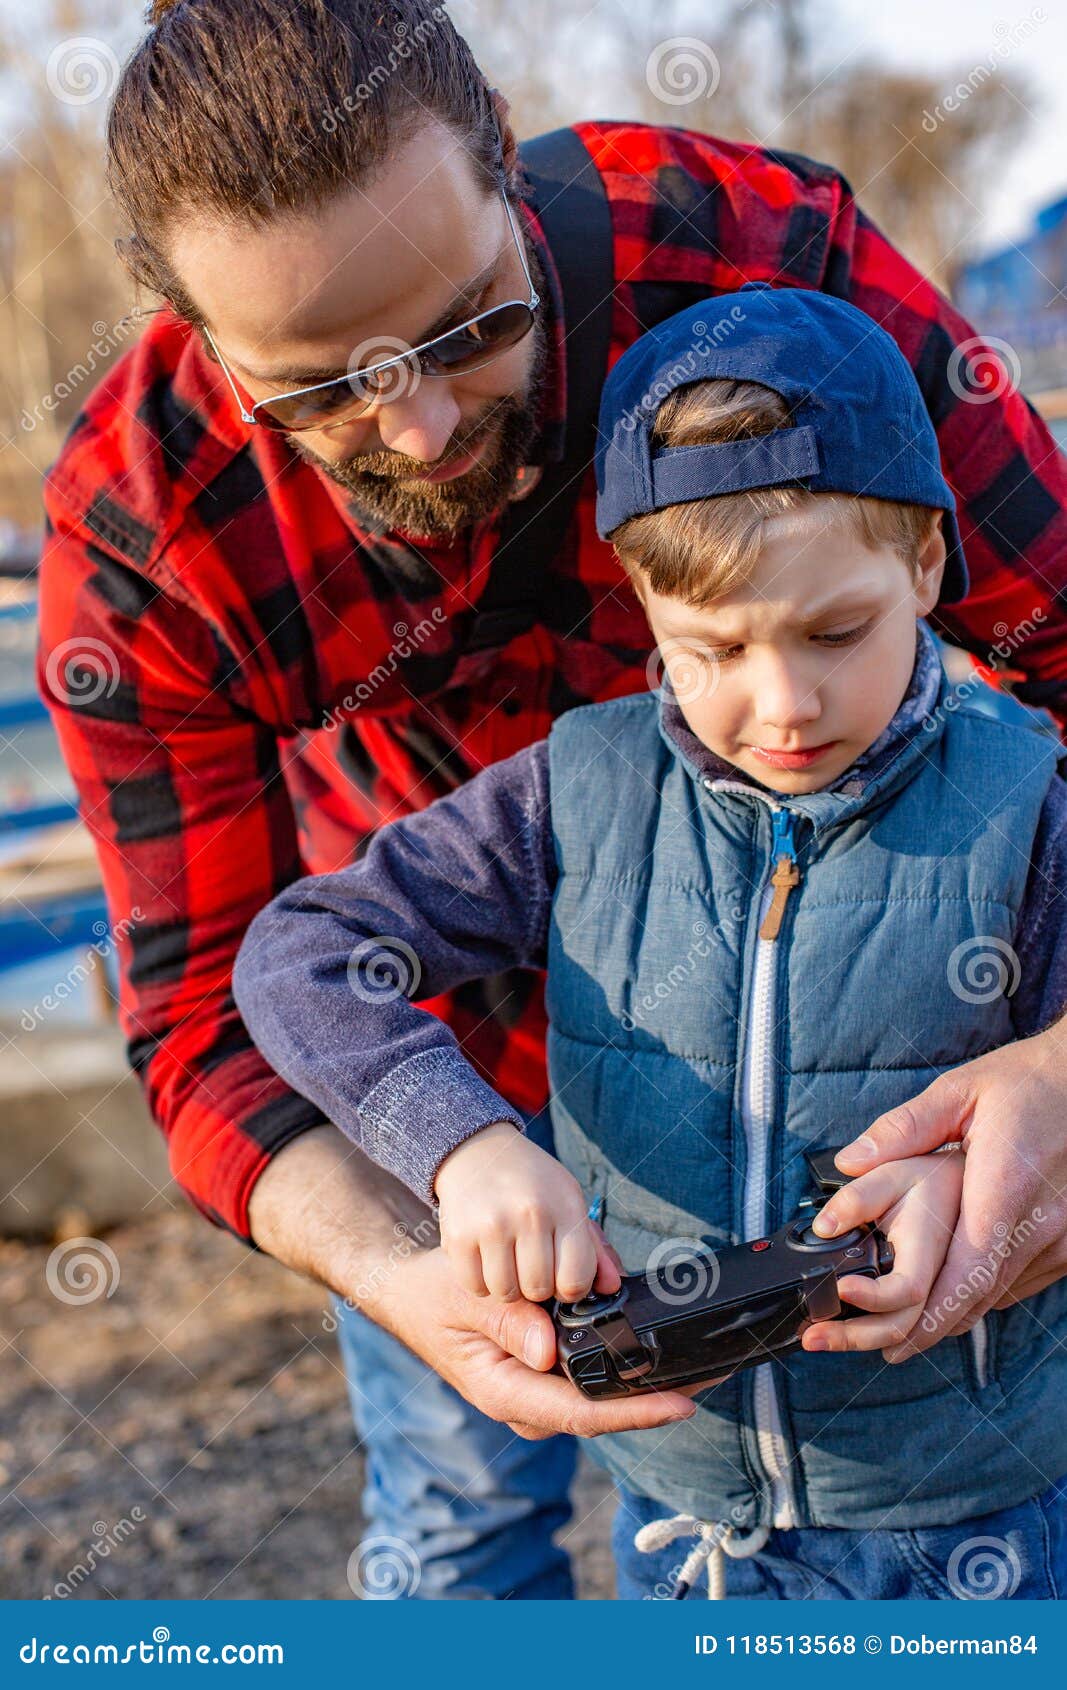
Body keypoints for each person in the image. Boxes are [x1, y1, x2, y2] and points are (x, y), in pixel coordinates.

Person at [38, 0, 1067, 1601]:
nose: (423, 431)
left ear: (508, 167)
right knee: (456, 1528)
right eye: (321, 391)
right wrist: (409, 1232)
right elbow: (203, 1019)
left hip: (869, 1083)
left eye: (466, 329)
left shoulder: (761, 267)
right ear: (191, 335)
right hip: (405, 1083)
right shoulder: (149, 539)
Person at [233, 284, 1067, 1600]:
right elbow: (306, 953)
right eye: (714, 648)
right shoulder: (571, 794)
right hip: (688, 1531)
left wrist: (989, 1196)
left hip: (966, 1523)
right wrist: (462, 1146)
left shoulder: (1029, 806)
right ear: (639, 603)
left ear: (925, 564)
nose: (783, 703)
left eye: (835, 633)